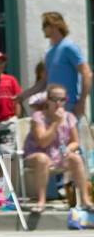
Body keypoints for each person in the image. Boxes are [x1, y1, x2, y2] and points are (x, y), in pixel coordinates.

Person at [23, 84, 94, 214]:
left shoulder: (69, 117)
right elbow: (43, 142)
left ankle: (86, 200)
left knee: (76, 158)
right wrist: (55, 123)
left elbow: (75, 142)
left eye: (62, 99)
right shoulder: (38, 117)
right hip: (36, 155)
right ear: (47, 100)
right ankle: (41, 201)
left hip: (57, 156)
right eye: (54, 98)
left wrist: (69, 149)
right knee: (42, 159)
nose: (58, 102)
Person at [21, 13, 92, 122]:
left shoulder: (69, 47)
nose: (42, 28)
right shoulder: (50, 52)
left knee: (72, 139)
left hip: (69, 105)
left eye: (45, 25)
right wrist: (23, 96)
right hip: (52, 107)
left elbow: (87, 73)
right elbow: (44, 81)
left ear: (54, 25)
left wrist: (81, 102)